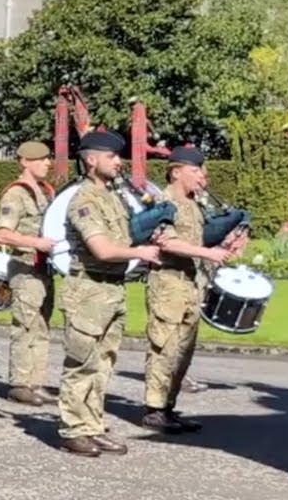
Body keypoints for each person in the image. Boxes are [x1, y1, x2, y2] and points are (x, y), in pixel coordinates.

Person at [58, 129, 163, 456]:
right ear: (91, 160)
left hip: (111, 289)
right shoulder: (84, 200)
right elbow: (102, 249)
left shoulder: (112, 196)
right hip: (89, 289)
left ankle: (92, 425)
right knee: (82, 363)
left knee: (103, 364)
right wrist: (141, 253)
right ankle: (73, 428)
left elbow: (126, 235)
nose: (119, 162)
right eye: (111, 156)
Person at [141, 144, 234, 433]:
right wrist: (208, 254)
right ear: (176, 172)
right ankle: (154, 408)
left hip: (190, 285)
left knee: (183, 351)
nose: (201, 176)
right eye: (195, 170)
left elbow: (199, 239)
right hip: (168, 283)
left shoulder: (194, 204)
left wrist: (223, 245)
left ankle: (168, 406)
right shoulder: (162, 202)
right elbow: (165, 241)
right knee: (165, 347)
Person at [0, 141, 58, 406]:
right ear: (24, 162)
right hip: (25, 268)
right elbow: (3, 234)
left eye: (47, 158)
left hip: (43, 268)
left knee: (42, 327)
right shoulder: (16, 194)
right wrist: (35, 244)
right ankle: (20, 383)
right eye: (40, 159)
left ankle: (36, 382)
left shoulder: (43, 192)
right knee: (26, 325)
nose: (47, 163)